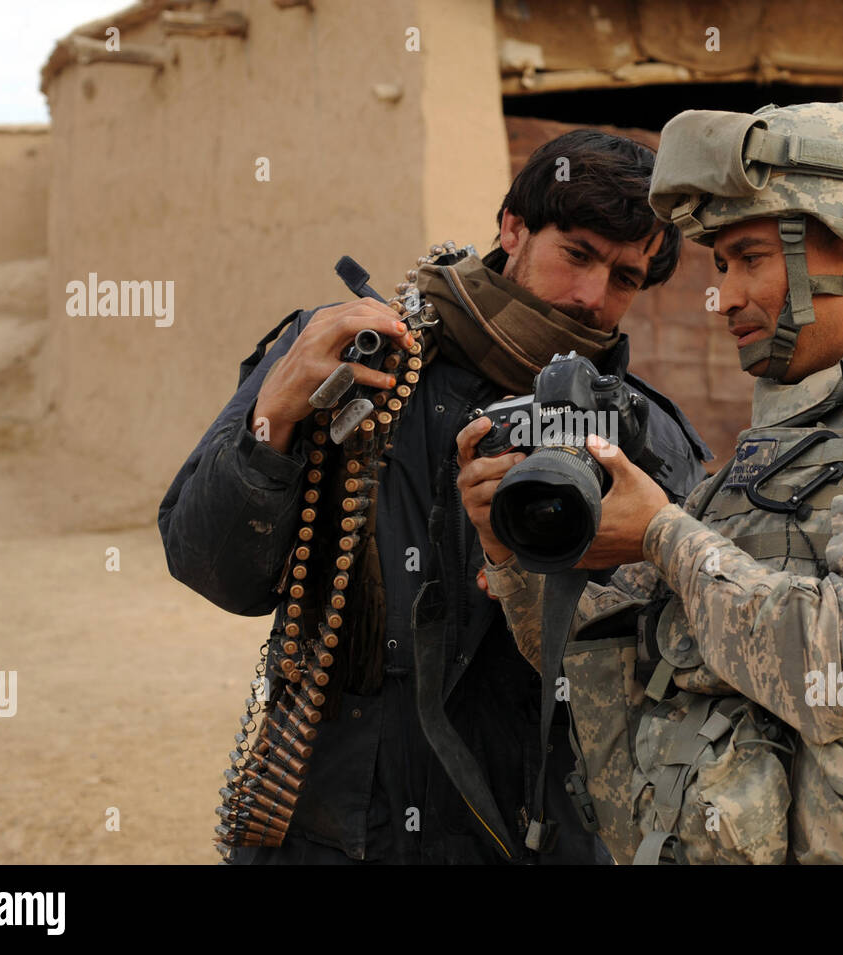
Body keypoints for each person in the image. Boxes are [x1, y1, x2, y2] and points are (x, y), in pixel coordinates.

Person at [461, 103, 843, 865]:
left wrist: (665, 534)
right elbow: (593, 653)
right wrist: (512, 547)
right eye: (720, 264)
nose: (723, 297)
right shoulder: (789, 442)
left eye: (751, 258)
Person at [158, 129, 711, 864]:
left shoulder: (644, 437)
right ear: (512, 227)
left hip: (537, 832)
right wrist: (276, 416)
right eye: (576, 254)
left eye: (624, 279)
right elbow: (210, 565)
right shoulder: (353, 359)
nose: (591, 297)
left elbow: (673, 661)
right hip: (341, 828)